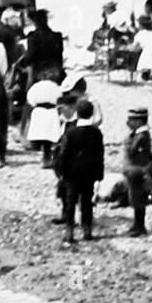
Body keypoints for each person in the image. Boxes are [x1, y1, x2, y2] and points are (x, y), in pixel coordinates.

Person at [54, 99, 105, 244]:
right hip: (89, 172)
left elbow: (63, 154)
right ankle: (87, 230)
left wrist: (60, 172)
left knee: (71, 201)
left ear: (77, 113)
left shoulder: (70, 133)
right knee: (87, 201)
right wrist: (99, 174)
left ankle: (69, 231)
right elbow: (100, 155)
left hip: (72, 172)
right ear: (91, 114)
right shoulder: (96, 133)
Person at [121, 108, 152, 237]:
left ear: (139, 121)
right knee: (135, 199)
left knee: (138, 199)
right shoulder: (138, 134)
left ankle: (139, 226)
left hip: (137, 171)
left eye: (131, 120)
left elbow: (132, 151)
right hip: (134, 171)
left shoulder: (141, 136)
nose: (128, 122)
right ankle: (137, 225)